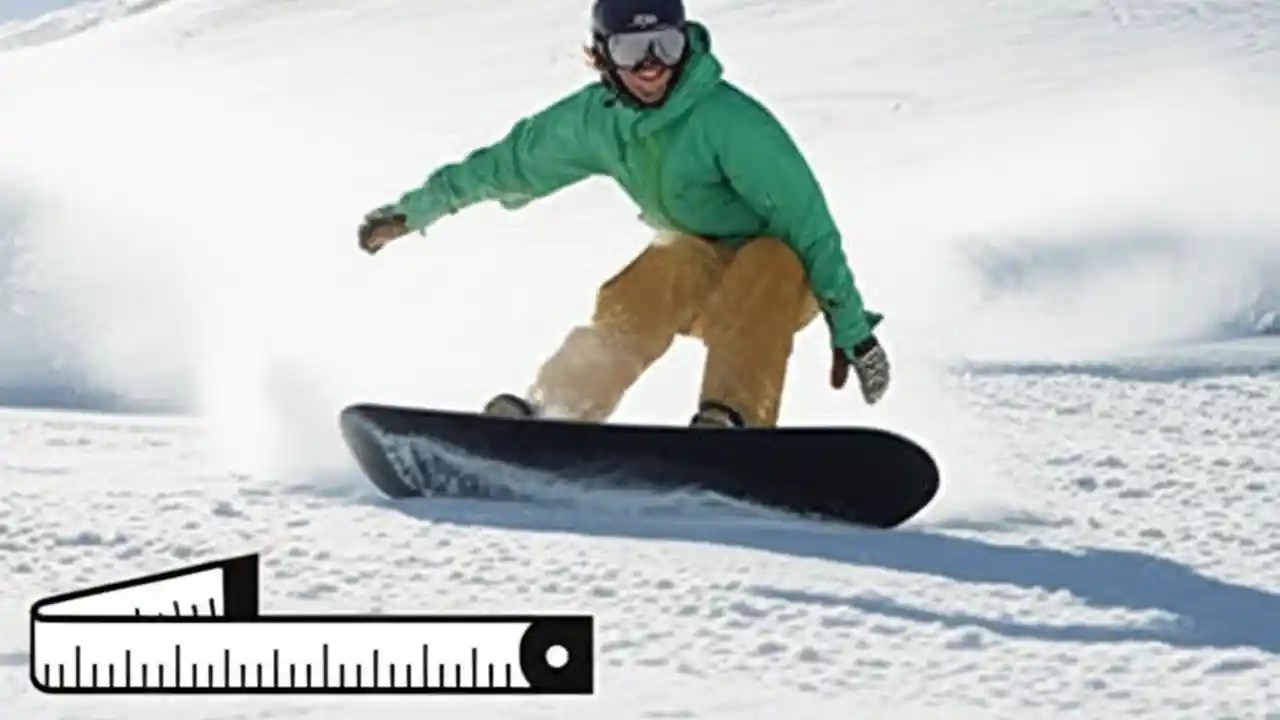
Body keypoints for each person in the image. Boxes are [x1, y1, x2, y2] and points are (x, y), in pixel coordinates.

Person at [356, 0, 890, 429]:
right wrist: (414, 211)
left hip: (782, 285)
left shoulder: (732, 124)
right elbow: (507, 165)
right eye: (633, 48)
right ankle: (558, 410)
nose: (652, 64)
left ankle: (732, 423)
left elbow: (811, 228)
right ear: (602, 55)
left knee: (770, 257)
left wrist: (854, 332)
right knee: (672, 257)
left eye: (666, 44)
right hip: (696, 277)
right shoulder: (596, 121)